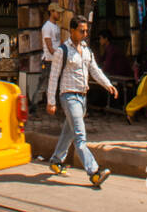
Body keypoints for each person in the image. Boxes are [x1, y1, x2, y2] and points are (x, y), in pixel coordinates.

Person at [46, 16, 117, 187]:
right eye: (81, 31)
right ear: (72, 31)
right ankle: (94, 172)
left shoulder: (86, 50)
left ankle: (56, 160)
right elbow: (53, 77)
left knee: (69, 131)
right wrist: (51, 101)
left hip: (82, 97)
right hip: (69, 96)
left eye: (86, 31)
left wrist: (108, 85)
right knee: (79, 135)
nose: (85, 34)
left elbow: (95, 70)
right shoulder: (62, 51)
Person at [32, 3, 62, 110]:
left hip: (54, 59)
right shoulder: (47, 27)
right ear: (52, 12)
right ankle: (33, 106)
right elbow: (49, 46)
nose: (59, 14)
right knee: (43, 85)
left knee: (52, 84)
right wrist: (58, 54)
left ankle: (49, 104)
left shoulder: (56, 27)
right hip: (48, 59)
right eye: (57, 12)